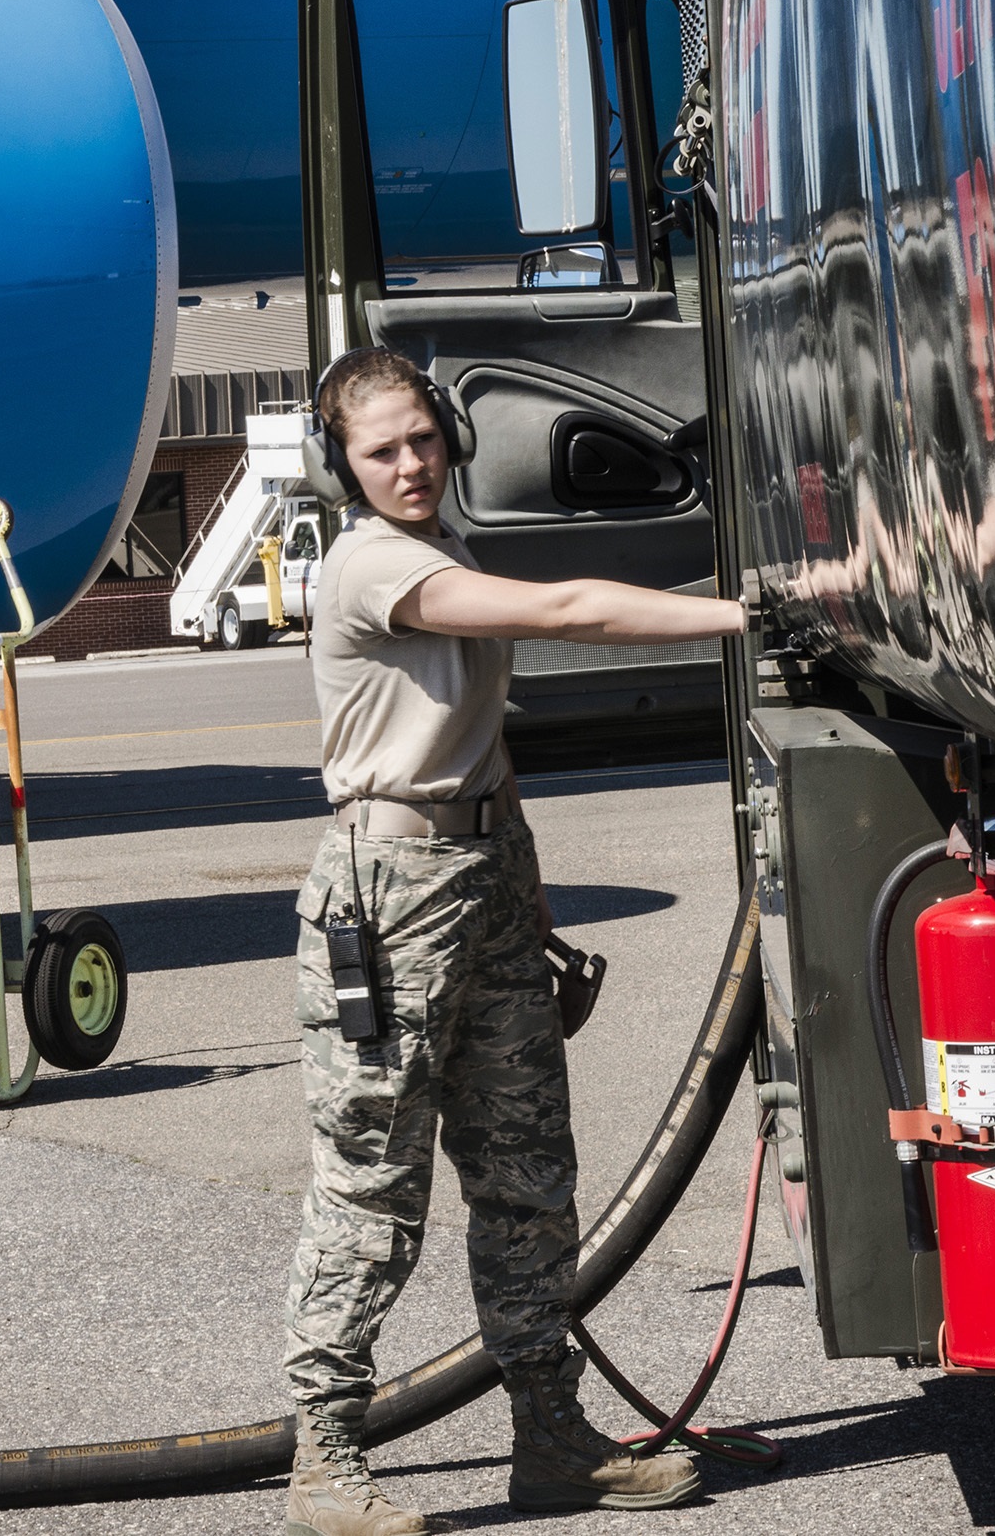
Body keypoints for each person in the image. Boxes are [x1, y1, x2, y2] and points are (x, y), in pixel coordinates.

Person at [284, 348, 746, 1535]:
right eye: (380, 451)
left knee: (528, 1177)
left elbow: (487, 750)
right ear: (342, 466)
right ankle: (326, 1462)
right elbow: (566, 610)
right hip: (390, 895)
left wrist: (528, 902)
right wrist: (750, 614)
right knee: (373, 1189)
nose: (409, 465)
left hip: (483, 875)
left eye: (423, 440)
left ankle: (551, 1437)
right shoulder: (373, 563)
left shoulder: (445, 546)